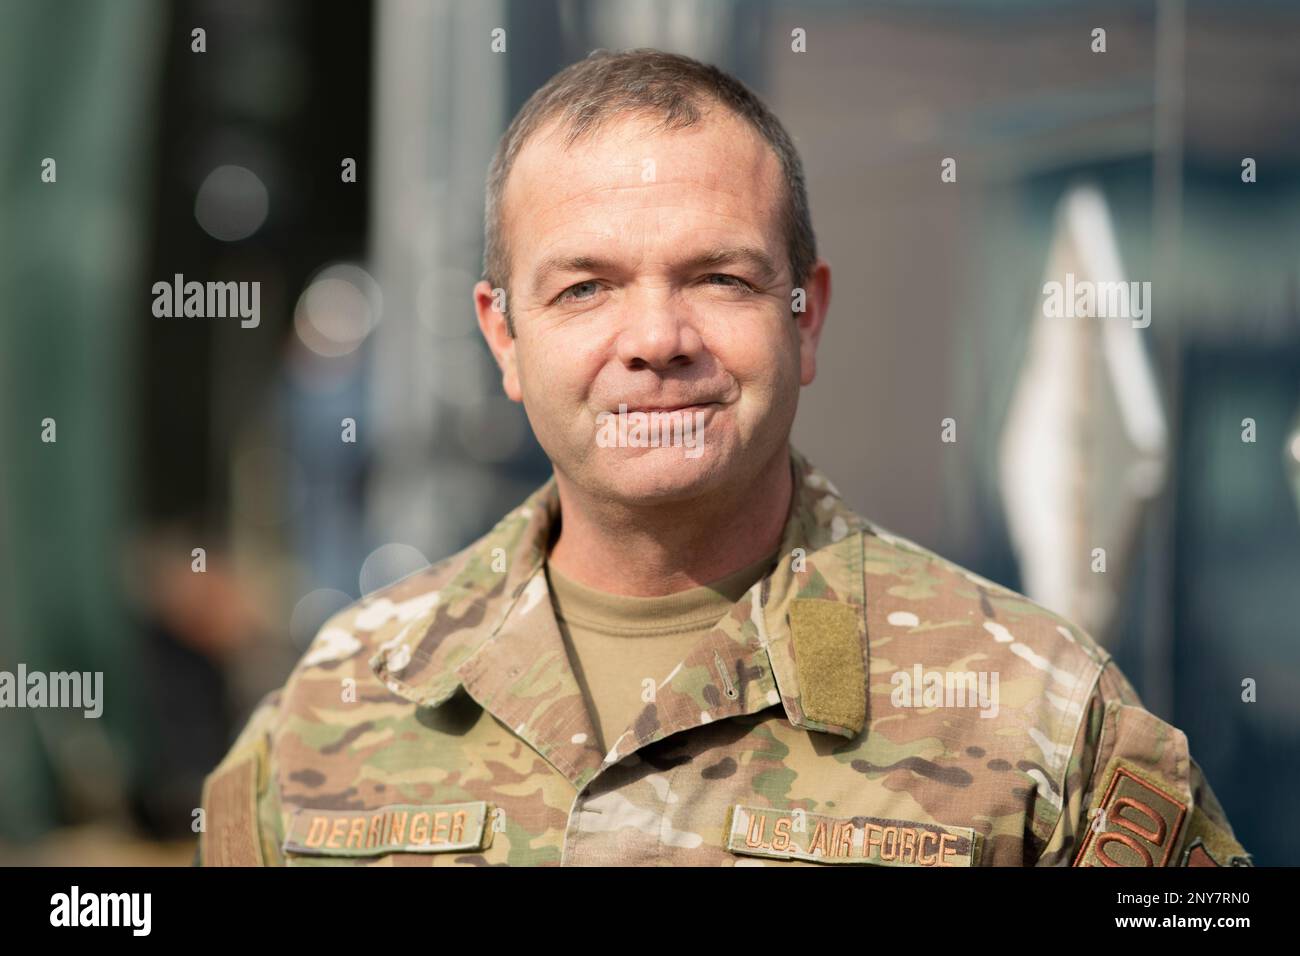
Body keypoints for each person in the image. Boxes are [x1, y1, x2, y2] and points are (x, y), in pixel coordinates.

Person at [198, 49, 1250, 867]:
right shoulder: (339, 700)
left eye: (720, 279)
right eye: (585, 288)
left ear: (807, 317)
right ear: (504, 337)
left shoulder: (1043, 716)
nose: (656, 337)